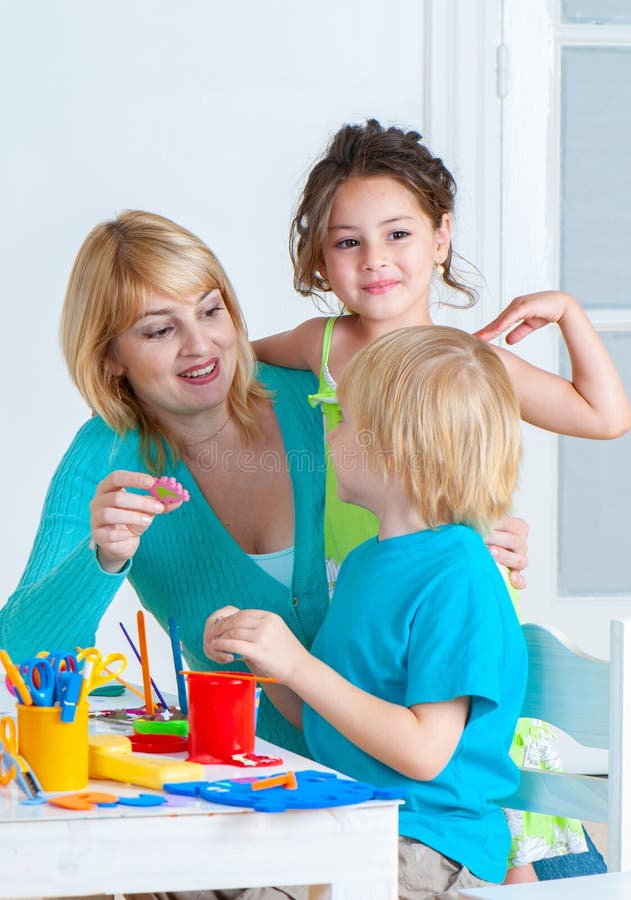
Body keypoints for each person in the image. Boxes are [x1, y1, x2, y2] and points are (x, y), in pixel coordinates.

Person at [0, 209, 527, 765]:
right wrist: (101, 559)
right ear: (109, 357)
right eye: (159, 329)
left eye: (211, 310)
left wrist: (481, 528)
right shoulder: (105, 456)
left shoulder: (325, 400)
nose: (200, 345)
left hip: (437, 799)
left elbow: (442, 488)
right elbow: (23, 660)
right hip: (266, 792)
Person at [252, 118, 629, 880]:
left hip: (440, 587)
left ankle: (489, 874)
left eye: (397, 234)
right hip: (358, 582)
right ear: (321, 257)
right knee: (370, 753)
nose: (375, 260)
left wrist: (566, 313)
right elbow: (232, 366)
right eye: (347, 242)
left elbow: (605, 417)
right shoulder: (321, 344)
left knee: (468, 765)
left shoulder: (471, 363)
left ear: (440, 237)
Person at [205, 326, 528, 898]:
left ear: (396, 447)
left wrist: (298, 665)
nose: (331, 435)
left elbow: (424, 753)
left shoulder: (459, 575)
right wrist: (261, 659)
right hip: (355, 821)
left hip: (428, 845)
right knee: (185, 867)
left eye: (346, 420)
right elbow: (323, 718)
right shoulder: (362, 564)